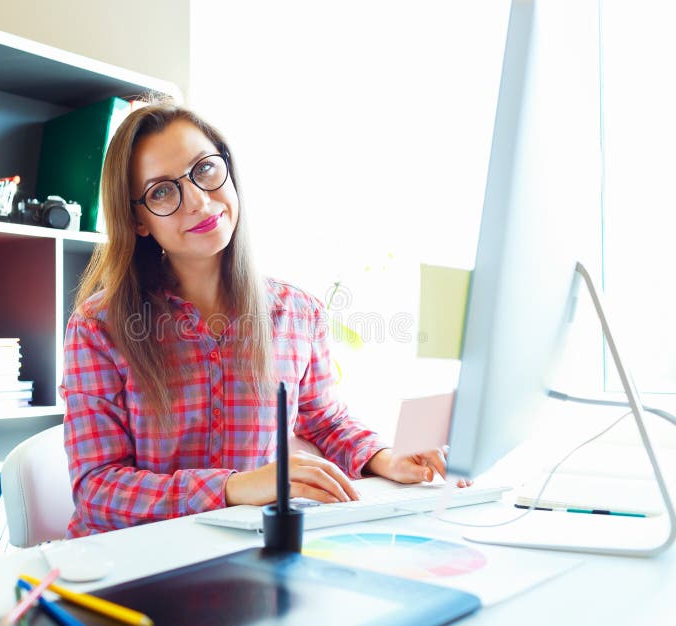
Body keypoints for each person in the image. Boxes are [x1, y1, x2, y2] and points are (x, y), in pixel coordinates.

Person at [61, 102, 465, 538]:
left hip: (243, 552)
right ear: (139, 220)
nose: (198, 200)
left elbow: (323, 419)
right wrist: (233, 487)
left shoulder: (297, 312)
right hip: (130, 564)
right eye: (161, 191)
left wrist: (384, 456)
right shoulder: (98, 326)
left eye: (205, 170)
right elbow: (96, 488)